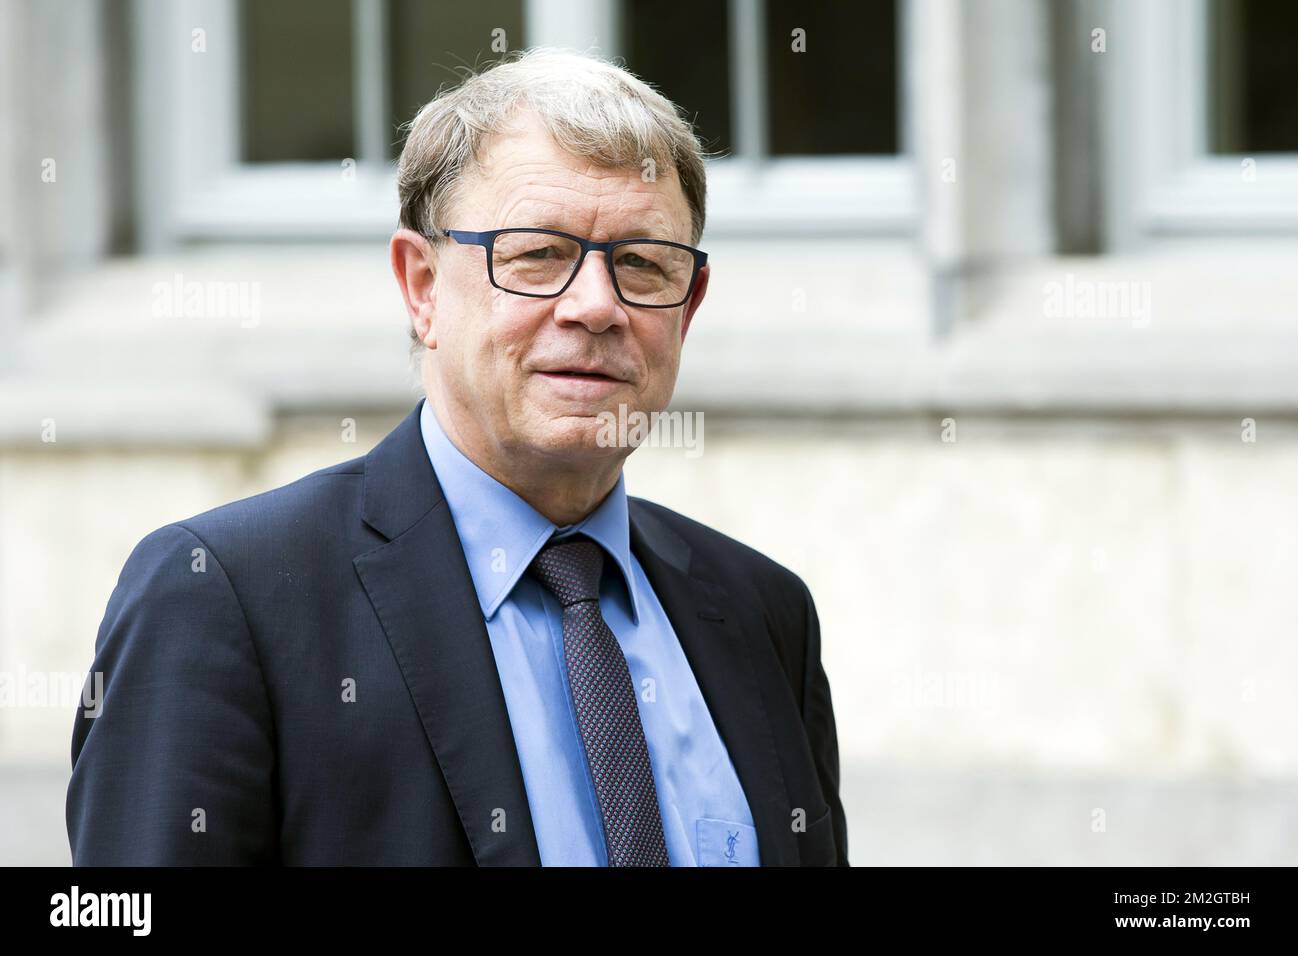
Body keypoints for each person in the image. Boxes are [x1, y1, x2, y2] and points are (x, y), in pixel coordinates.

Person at [67, 47, 847, 867]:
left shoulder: (763, 615)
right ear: (422, 286)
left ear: (687, 309)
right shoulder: (224, 599)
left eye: (643, 264)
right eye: (538, 255)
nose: (595, 306)